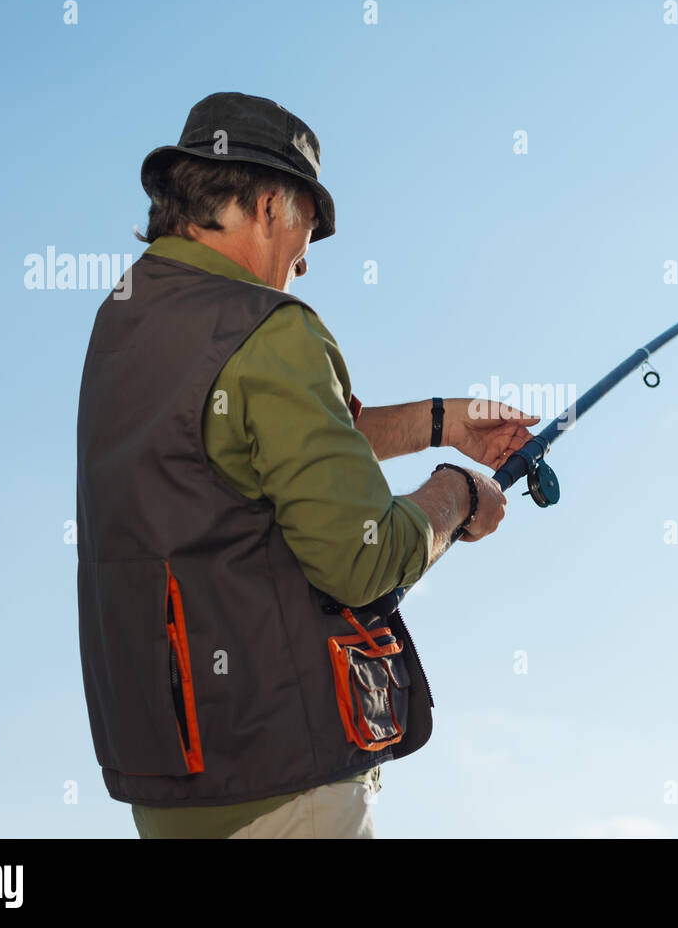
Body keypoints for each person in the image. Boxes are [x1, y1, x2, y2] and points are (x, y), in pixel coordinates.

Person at [75, 92, 537, 838]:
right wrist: (457, 497)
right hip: (282, 782)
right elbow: (361, 560)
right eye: (306, 229)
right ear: (266, 206)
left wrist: (445, 422)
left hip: (169, 782)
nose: (305, 259)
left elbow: (251, 447)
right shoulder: (270, 330)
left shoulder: (127, 322)